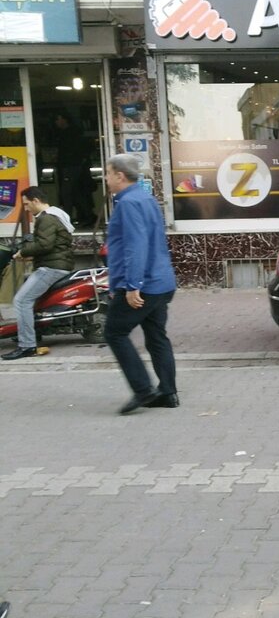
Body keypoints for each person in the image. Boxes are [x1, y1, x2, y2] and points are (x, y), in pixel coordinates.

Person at [103, 154, 179, 414]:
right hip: (161, 281)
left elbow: (136, 245)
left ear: (120, 176)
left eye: (108, 173)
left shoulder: (128, 203)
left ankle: (143, 390)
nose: (106, 179)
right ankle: (168, 393)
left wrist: (132, 285)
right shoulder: (147, 198)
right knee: (157, 336)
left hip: (142, 284)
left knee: (114, 333)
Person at [1, 186, 75, 362]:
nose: (26, 209)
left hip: (51, 267)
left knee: (21, 300)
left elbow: (44, 245)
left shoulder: (46, 218)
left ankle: (27, 345)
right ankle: (32, 332)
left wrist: (23, 251)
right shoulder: (57, 214)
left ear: (36, 200)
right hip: (57, 264)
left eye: (27, 204)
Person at [54, 112, 95, 227]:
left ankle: (68, 219)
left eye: (58, 119)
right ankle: (87, 216)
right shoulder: (75, 133)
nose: (56, 122)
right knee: (75, 192)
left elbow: (69, 151)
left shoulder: (68, 134)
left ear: (64, 120)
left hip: (70, 166)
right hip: (74, 166)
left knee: (67, 193)